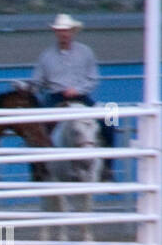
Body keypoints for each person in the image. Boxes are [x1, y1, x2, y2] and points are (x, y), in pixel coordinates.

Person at [31, 13, 112, 172]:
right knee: (36, 129)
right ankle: (39, 170)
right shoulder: (46, 56)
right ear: (55, 32)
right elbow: (38, 82)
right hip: (55, 97)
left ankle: (108, 168)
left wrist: (78, 89)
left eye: (67, 30)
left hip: (81, 97)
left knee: (110, 120)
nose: (64, 34)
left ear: (73, 31)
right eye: (60, 30)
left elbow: (93, 78)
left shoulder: (86, 52)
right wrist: (31, 88)